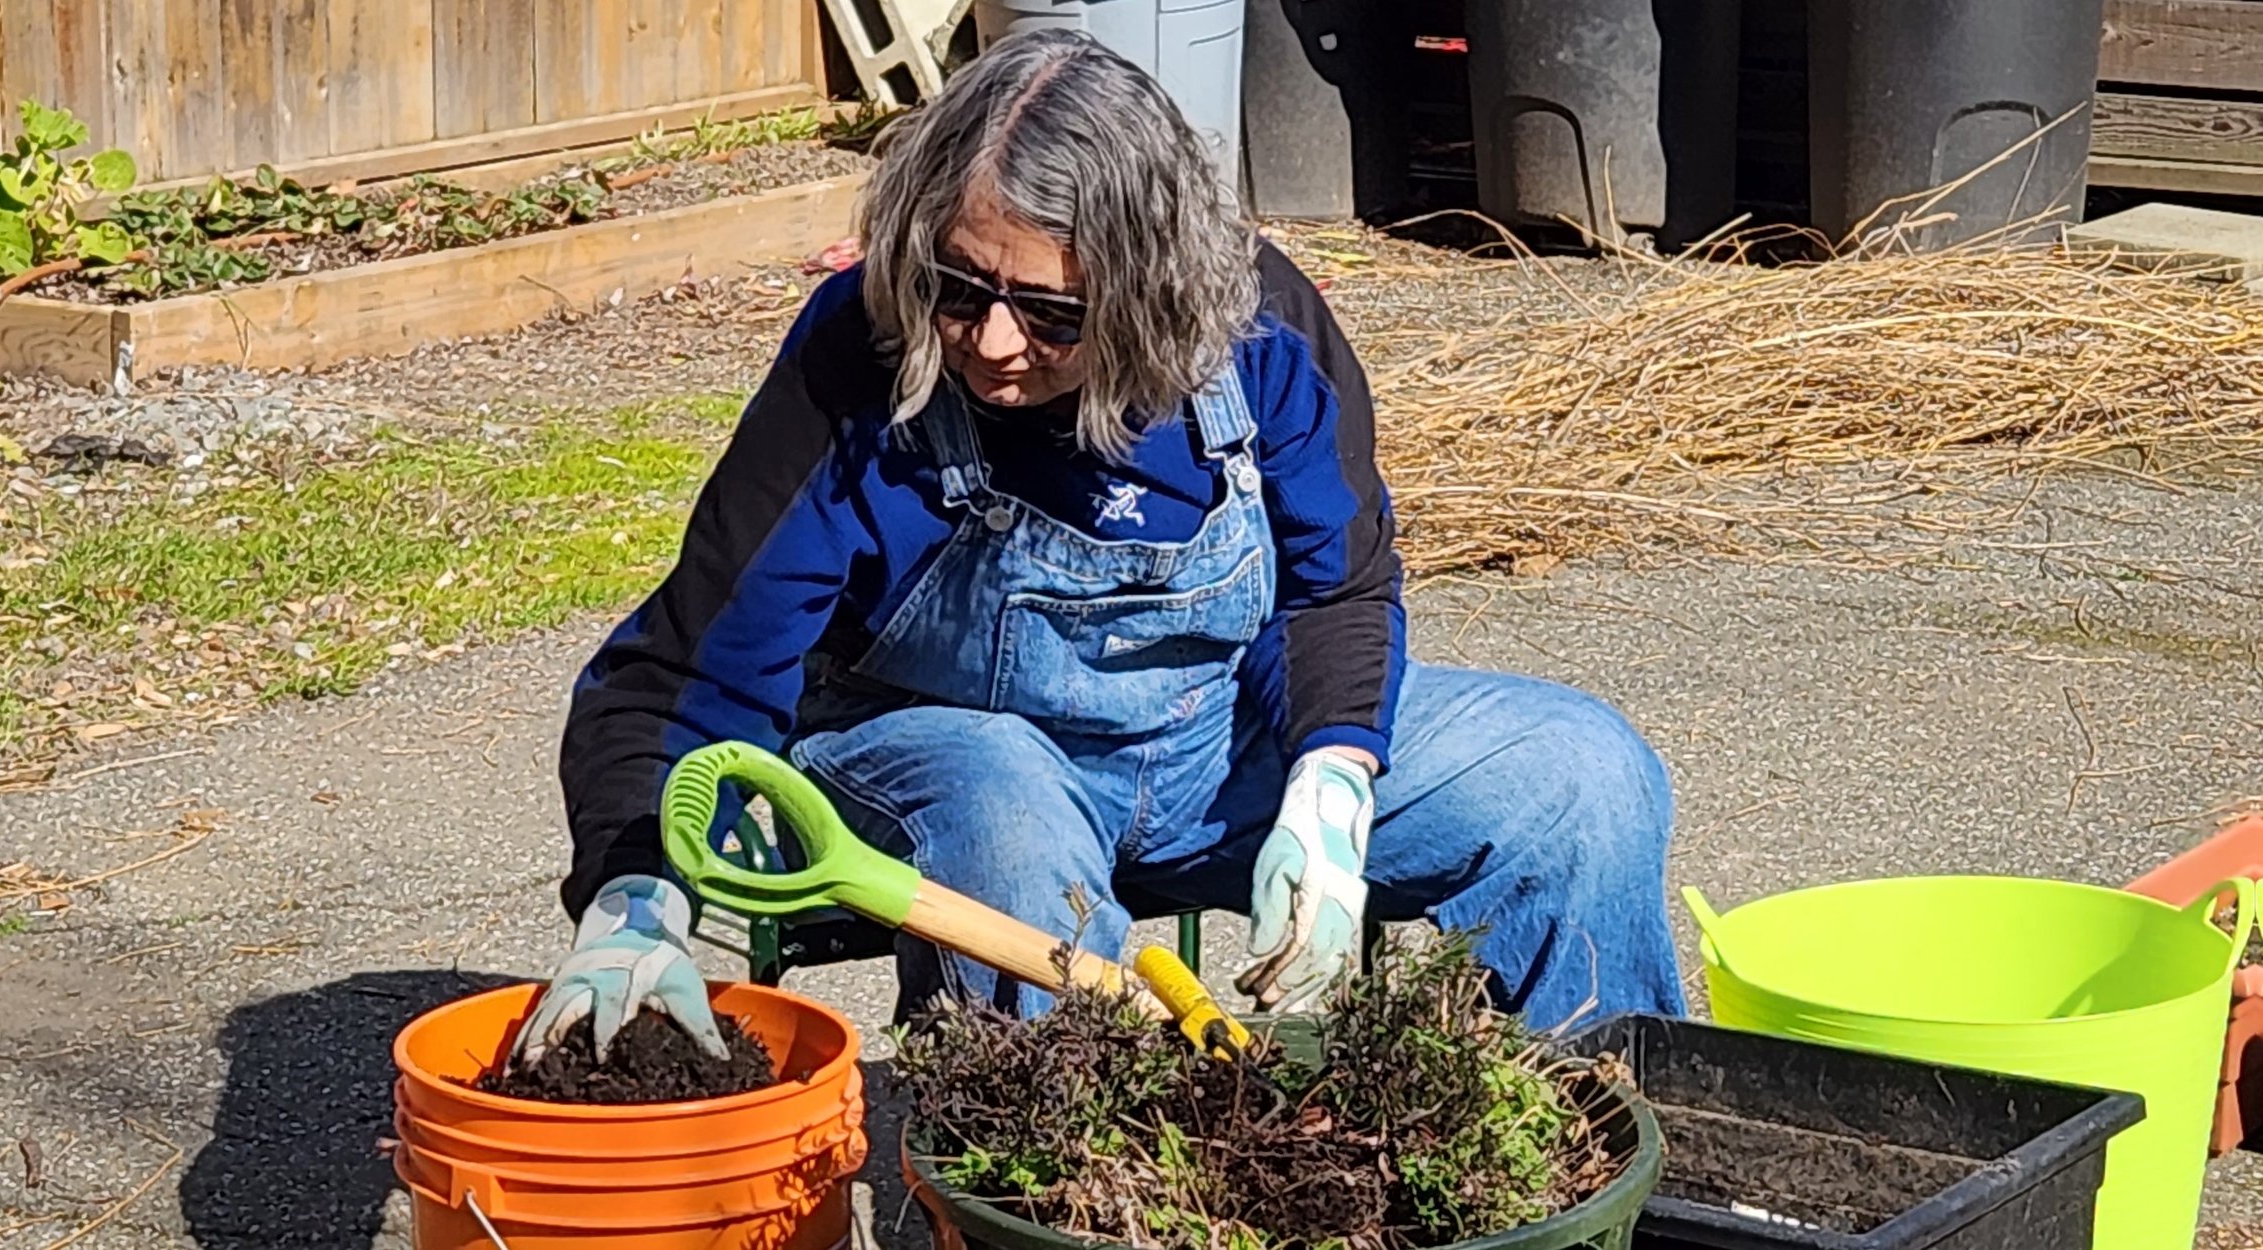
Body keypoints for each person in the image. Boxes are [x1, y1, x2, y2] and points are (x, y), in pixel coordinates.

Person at [512, 28, 1686, 1068]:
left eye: (1054, 313)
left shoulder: (1259, 333)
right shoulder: (858, 360)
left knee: (1580, 776)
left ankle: (1587, 1175)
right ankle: (1082, 1188)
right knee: (1004, 797)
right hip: (944, 762)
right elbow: (684, 671)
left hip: (1213, 749)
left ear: (1155, 292)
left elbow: (1336, 589)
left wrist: (1329, 784)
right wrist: (634, 892)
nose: (992, 341)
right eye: (957, 286)